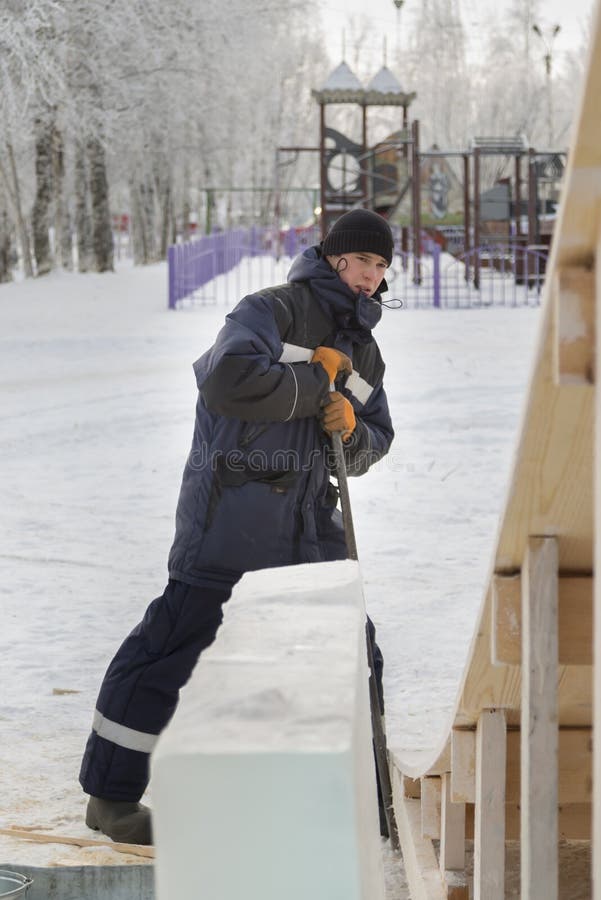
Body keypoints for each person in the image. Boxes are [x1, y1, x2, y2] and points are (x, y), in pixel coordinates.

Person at [79, 208, 395, 845]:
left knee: (353, 655)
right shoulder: (269, 310)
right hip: (231, 520)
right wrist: (312, 387)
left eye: (383, 265)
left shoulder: (364, 348)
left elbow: (375, 440)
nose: (372, 275)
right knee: (173, 647)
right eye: (363, 260)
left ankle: (364, 801)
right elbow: (224, 380)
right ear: (336, 259)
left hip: (309, 533)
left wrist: (350, 429)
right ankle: (110, 799)